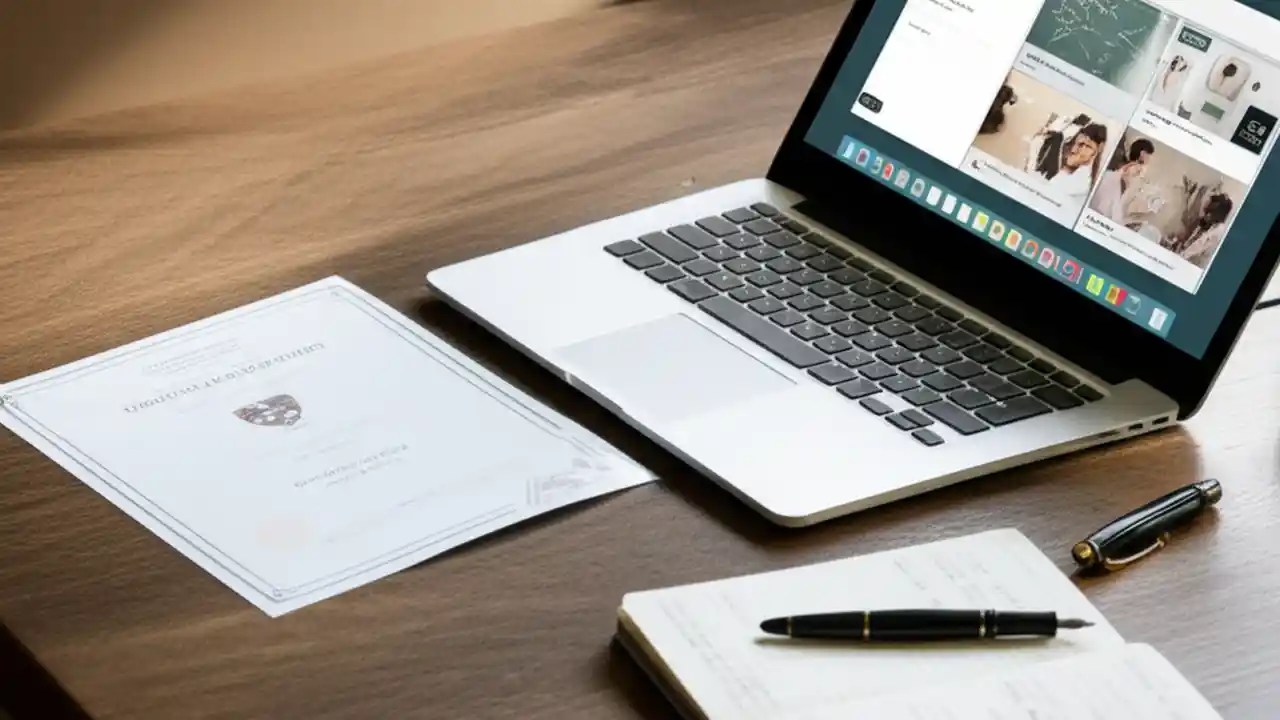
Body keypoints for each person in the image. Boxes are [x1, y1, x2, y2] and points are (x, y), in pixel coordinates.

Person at [1030, 121, 1107, 206]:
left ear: (1097, 151)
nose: (1074, 149)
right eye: (1076, 142)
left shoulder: (1080, 183)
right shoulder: (1063, 170)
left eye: (1084, 145)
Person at [1090, 139, 1155, 221]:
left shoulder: (1127, 189)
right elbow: (1100, 210)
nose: (1140, 174)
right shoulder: (1108, 178)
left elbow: (1117, 215)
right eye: (1139, 170)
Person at [1173, 192, 1234, 267]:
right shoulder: (1205, 223)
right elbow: (1191, 239)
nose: (1206, 215)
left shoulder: (1218, 231)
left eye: (1210, 213)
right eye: (1207, 211)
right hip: (1182, 257)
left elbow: (1201, 251)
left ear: (1219, 214)